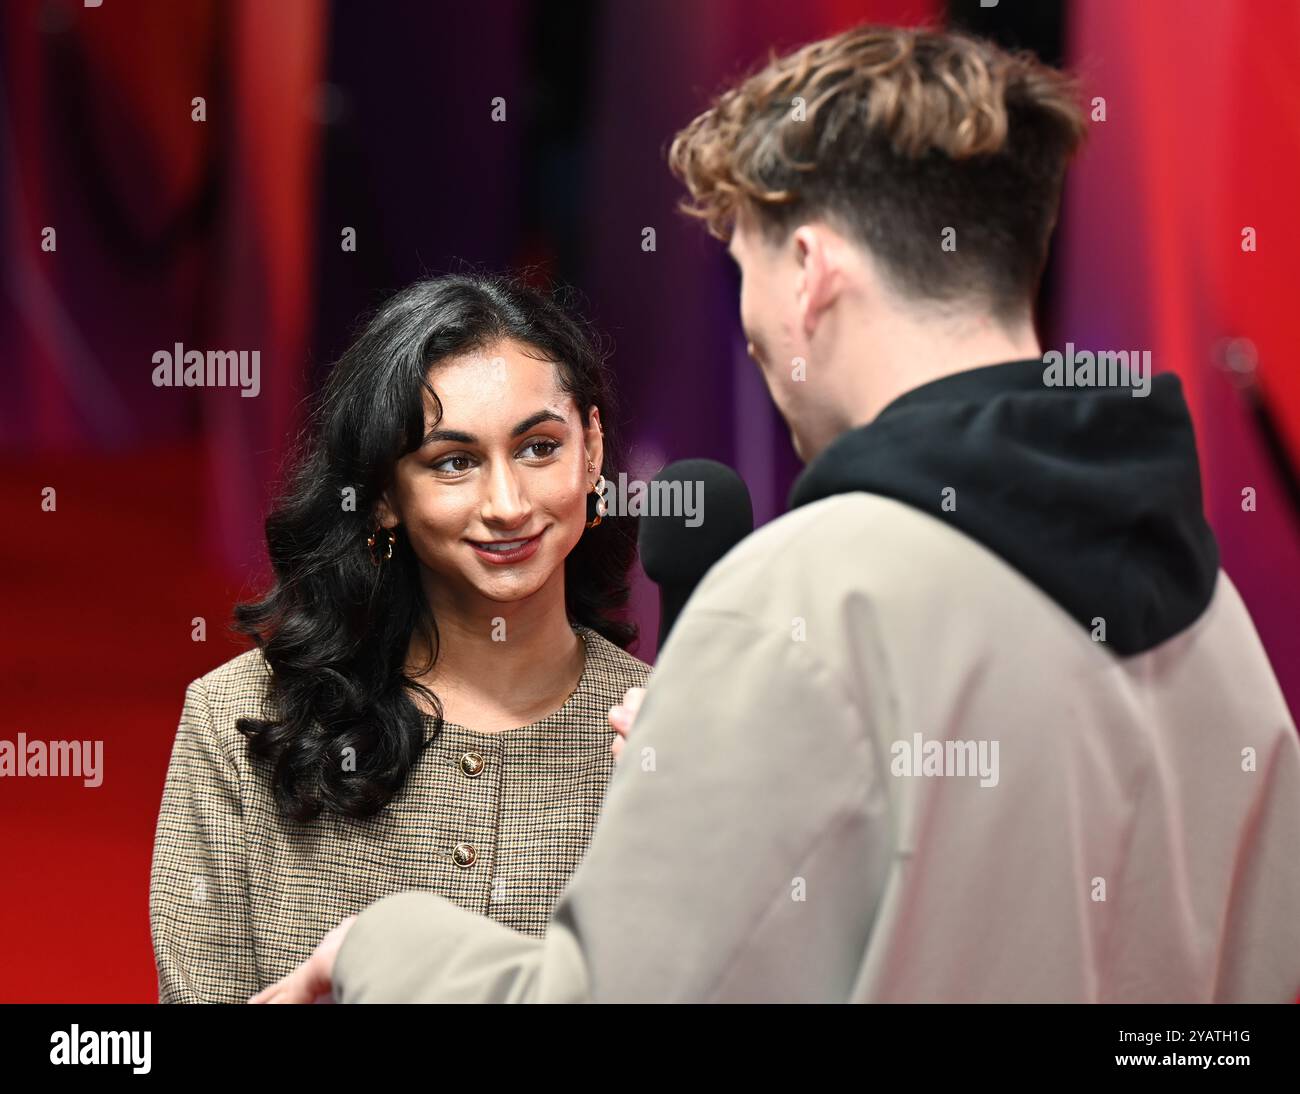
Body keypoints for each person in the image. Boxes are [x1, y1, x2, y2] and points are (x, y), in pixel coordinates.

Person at [254, 25, 1300, 1004]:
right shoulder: (1217, 619)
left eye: (742, 267)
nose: (747, 326)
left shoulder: (805, 596)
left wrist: (378, 941)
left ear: (809, 275)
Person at [149, 273, 649, 1003]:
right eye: (454, 462)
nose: (507, 504)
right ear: (384, 495)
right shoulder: (240, 725)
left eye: (539, 448)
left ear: (592, 451)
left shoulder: (670, 738)